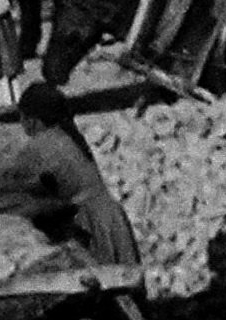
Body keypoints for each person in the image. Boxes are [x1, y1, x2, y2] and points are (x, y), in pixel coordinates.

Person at [9, 83, 138, 266]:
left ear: (32, 120)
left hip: (89, 222)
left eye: (21, 117)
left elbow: (15, 189)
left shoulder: (37, 148)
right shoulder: (68, 136)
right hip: (111, 214)